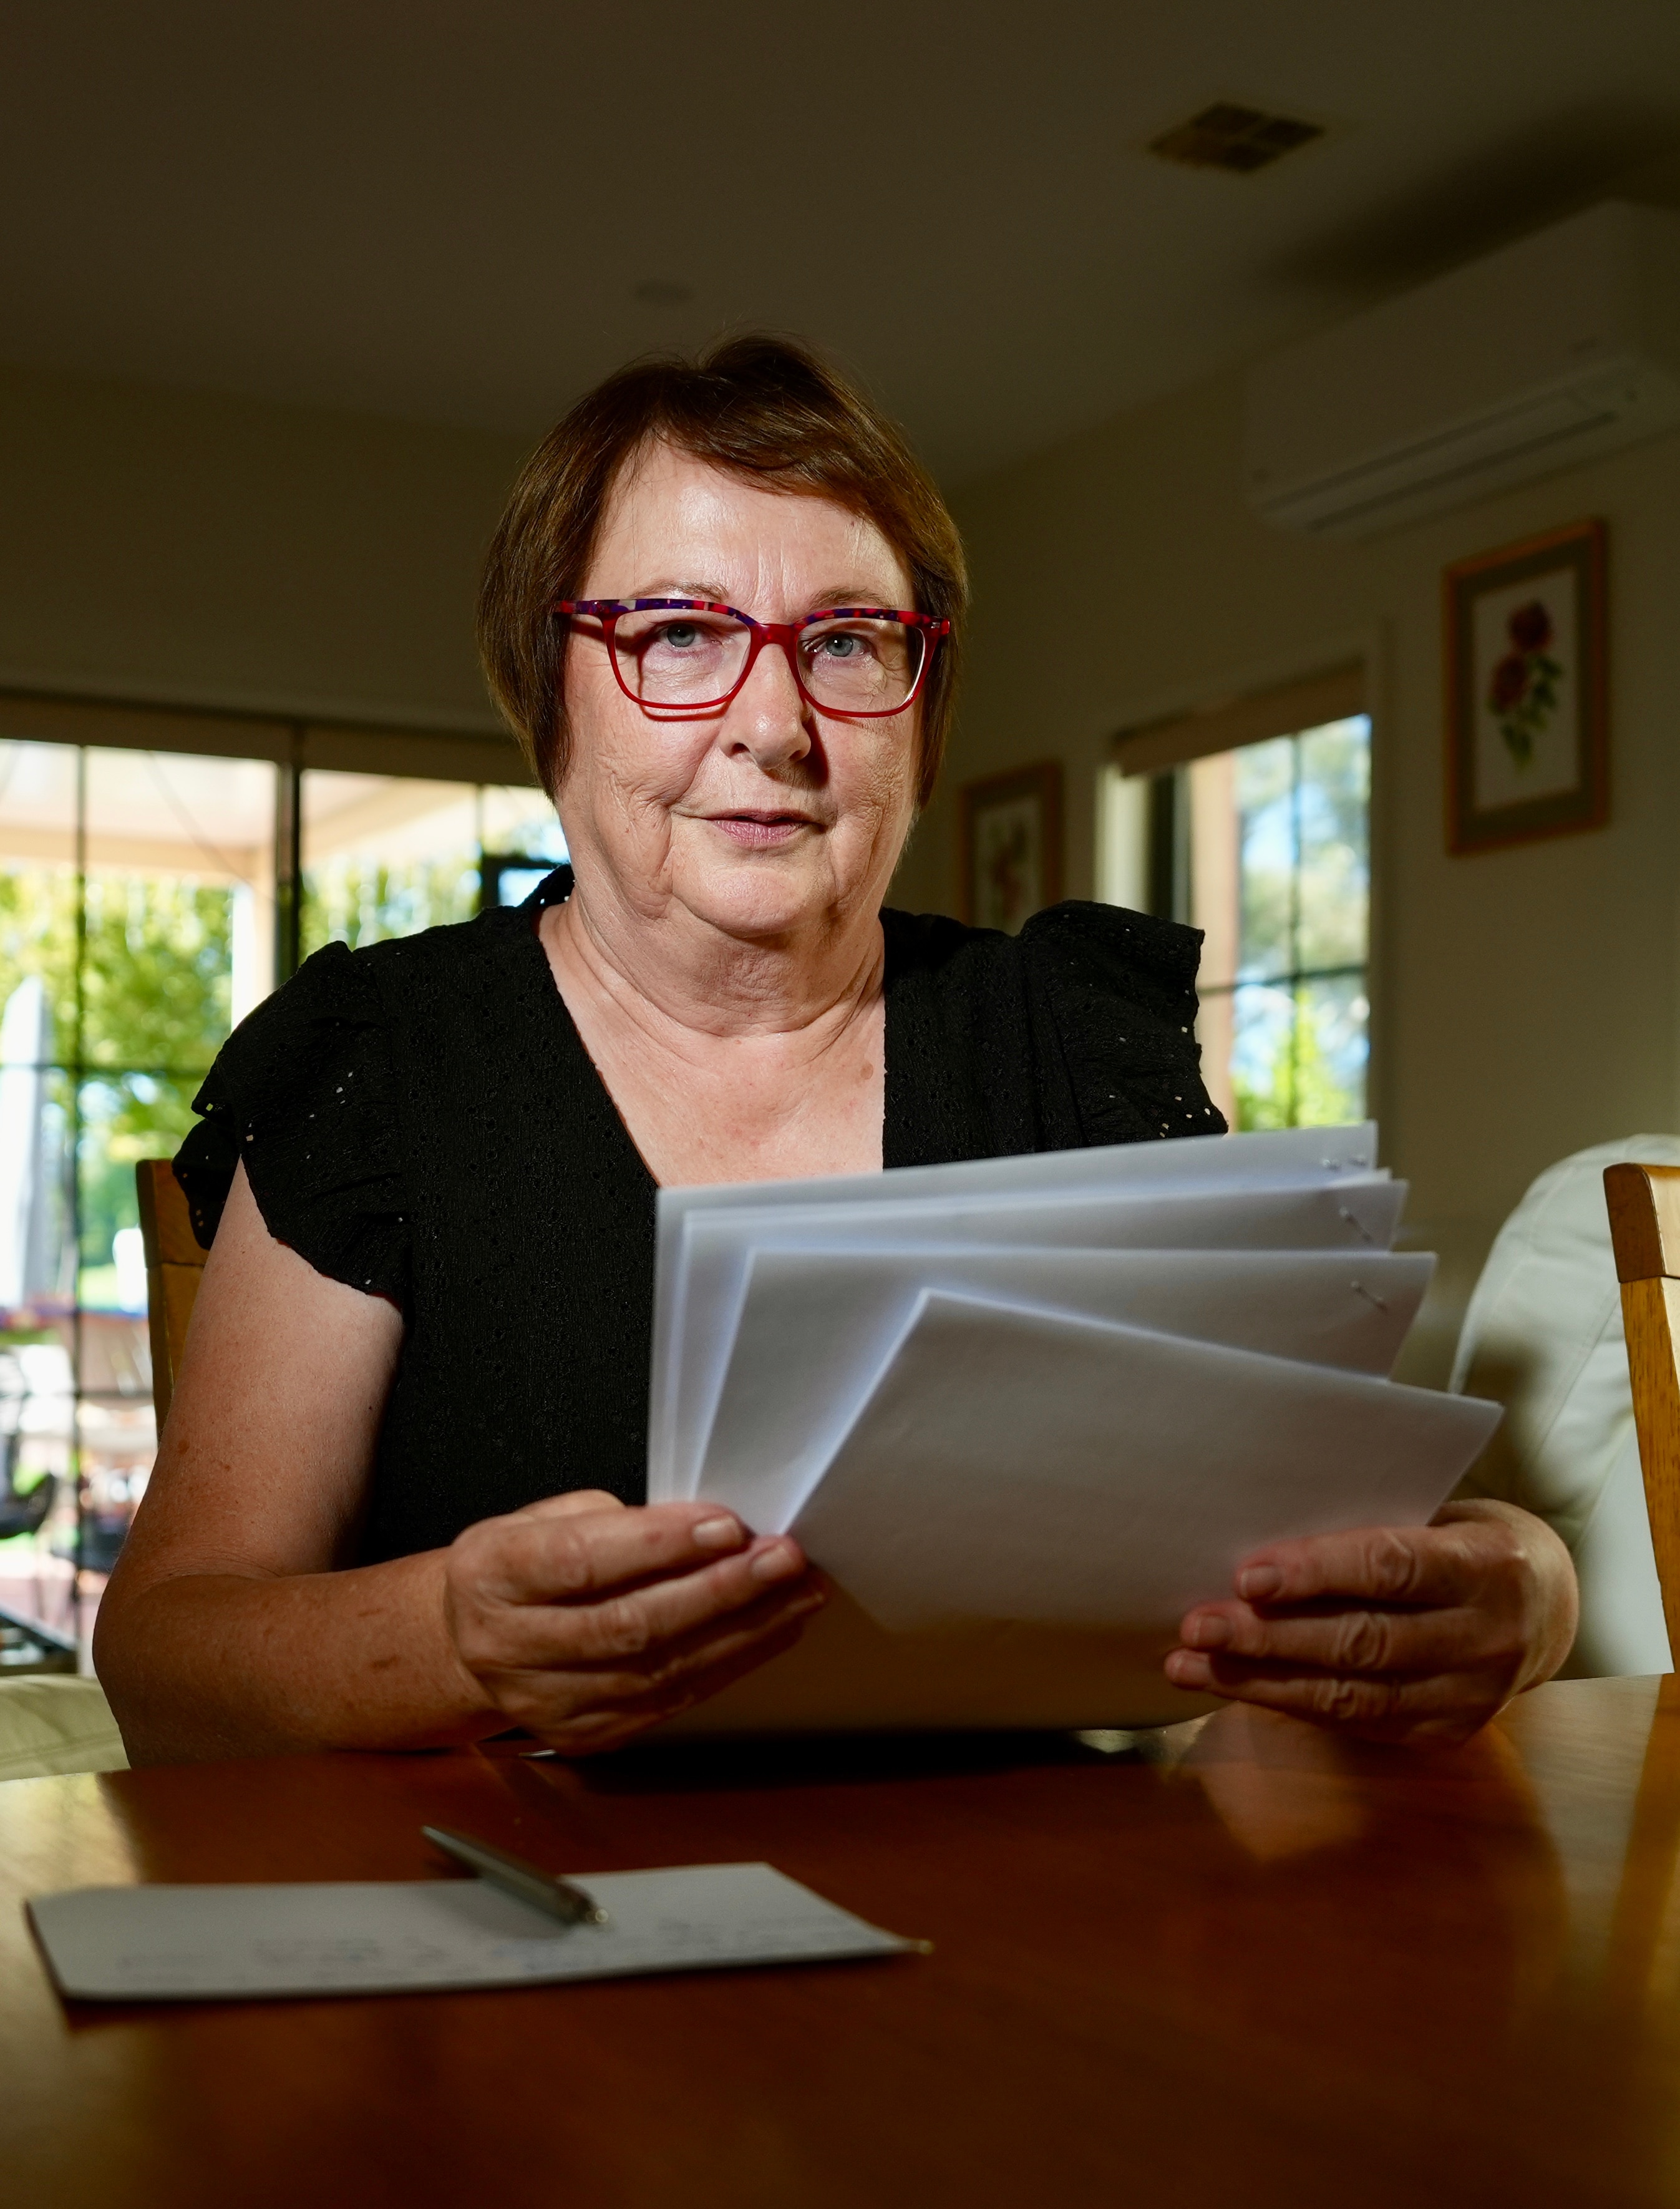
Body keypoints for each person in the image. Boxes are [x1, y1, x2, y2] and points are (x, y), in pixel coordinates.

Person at [94, 336, 1578, 1766]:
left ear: (920, 717)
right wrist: (453, 1640)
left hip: (1030, 1931)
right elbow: (166, 1660)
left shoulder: (1076, 1043)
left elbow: (1346, 1544)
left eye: (850, 641)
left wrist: (1526, 1589)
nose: (776, 723)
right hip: (519, 1940)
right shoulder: (380, 1062)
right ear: (549, 693)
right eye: (679, 633)